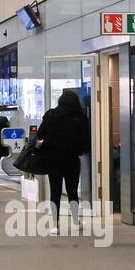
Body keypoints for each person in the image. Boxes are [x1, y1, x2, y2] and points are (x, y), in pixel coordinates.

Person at [37, 89, 91, 225]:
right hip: (71, 159)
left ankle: (55, 224)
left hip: (53, 159)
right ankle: (75, 221)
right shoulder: (80, 117)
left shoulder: (51, 115)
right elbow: (86, 140)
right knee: (72, 190)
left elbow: (40, 135)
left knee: (55, 191)